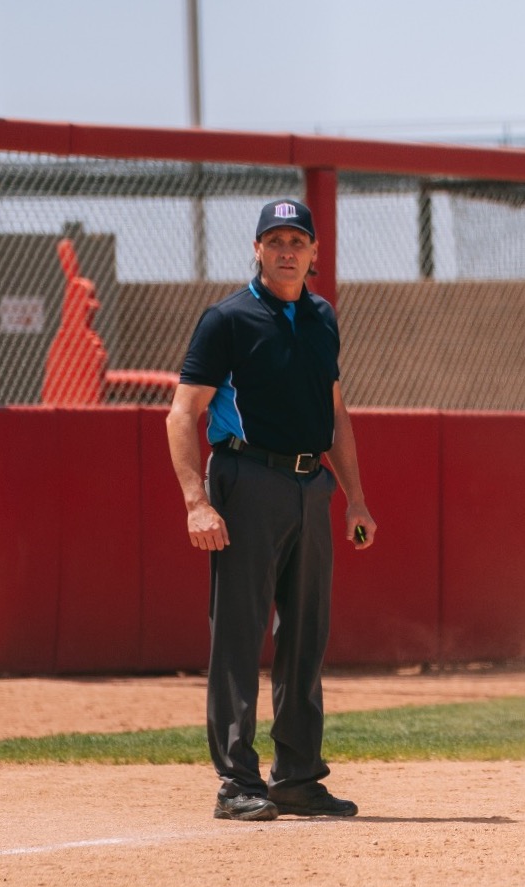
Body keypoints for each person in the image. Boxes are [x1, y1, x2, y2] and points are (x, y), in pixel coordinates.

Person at [165, 198, 377, 822]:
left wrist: (355, 497)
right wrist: (196, 503)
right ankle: (237, 781)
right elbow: (183, 413)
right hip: (246, 477)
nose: (287, 250)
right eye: (275, 239)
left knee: (305, 634)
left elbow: (335, 413)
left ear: (314, 253)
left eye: (297, 240)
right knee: (238, 632)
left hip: (312, 486)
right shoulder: (227, 319)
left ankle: (297, 778)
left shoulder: (321, 318)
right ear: (256, 249)